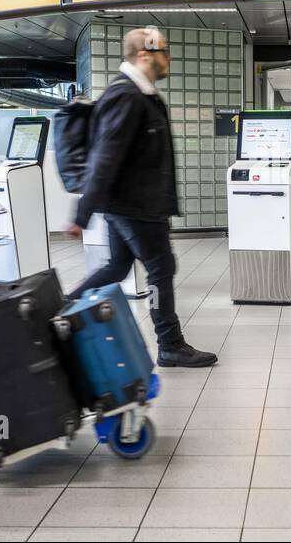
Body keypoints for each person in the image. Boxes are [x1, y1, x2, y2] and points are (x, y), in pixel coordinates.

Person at [68, 27, 217, 368]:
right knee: (162, 268)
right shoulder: (126, 96)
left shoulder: (142, 94)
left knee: (118, 267)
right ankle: (170, 344)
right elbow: (105, 156)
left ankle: (61, 308)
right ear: (144, 55)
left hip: (132, 204)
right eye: (164, 53)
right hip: (136, 207)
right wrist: (82, 214)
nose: (169, 59)